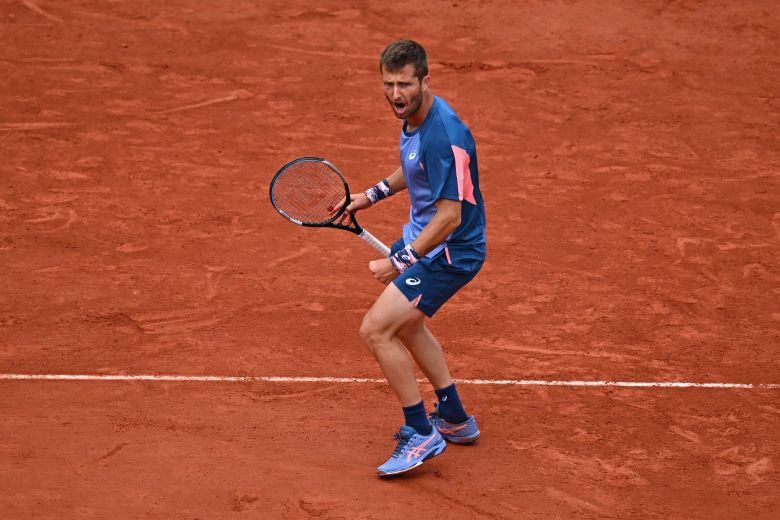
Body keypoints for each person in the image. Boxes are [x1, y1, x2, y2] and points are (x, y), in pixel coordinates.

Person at [341, 39, 487, 477]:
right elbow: (414, 166)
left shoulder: (443, 135)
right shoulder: (417, 118)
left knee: (376, 329)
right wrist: (370, 195)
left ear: (425, 81)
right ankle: (455, 419)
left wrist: (401, 261)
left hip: (450, 252)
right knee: (407, 324)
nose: (396, 94)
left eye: (405, 84)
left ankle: (421, 431)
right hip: (430, 243)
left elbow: (450, 216)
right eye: (388, 84)